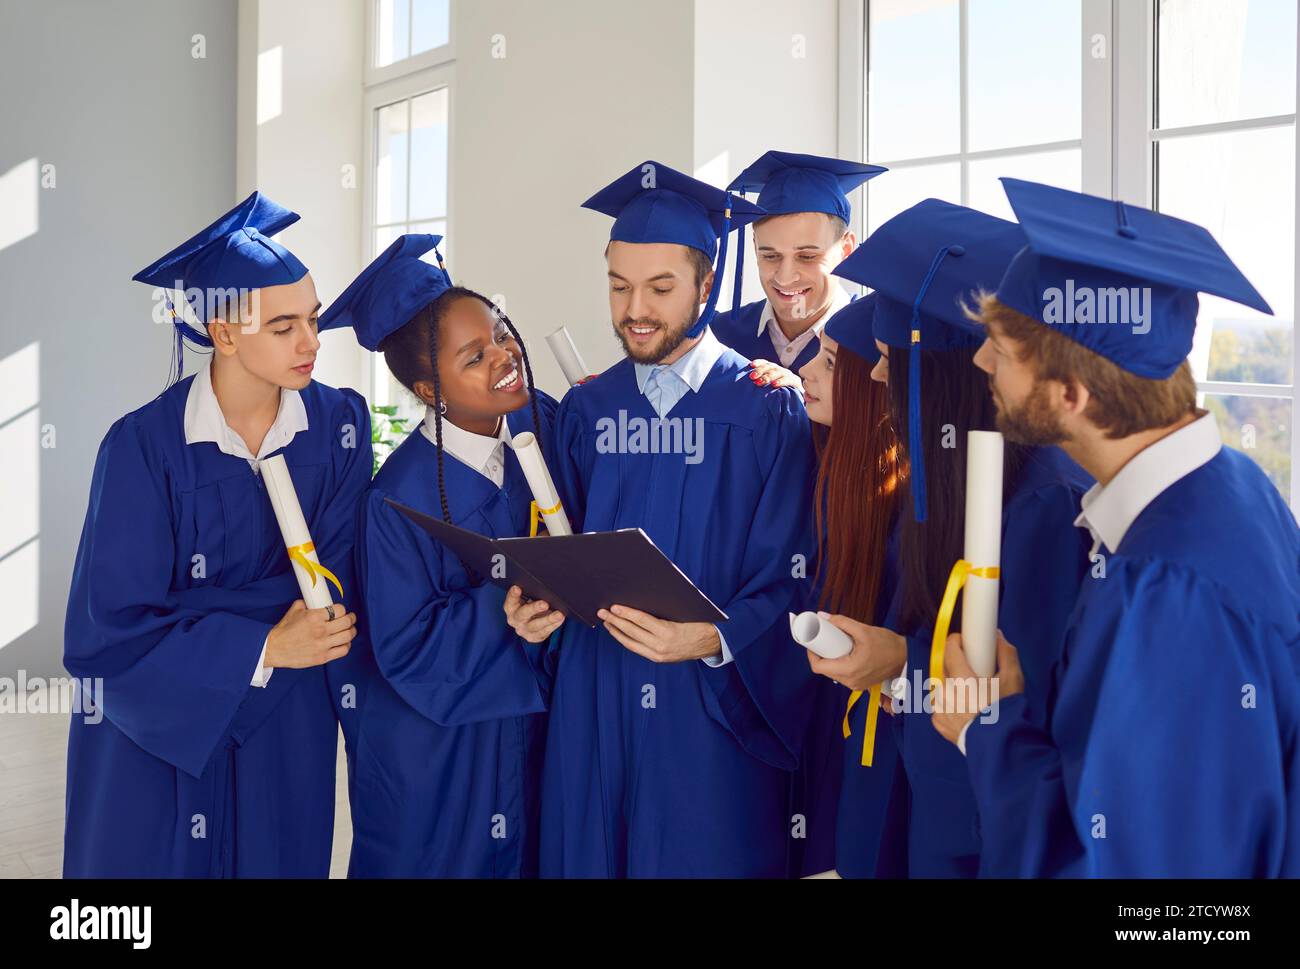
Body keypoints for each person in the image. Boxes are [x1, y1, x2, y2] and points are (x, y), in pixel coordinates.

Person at [932, 178, 1300, 877]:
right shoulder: (1239, 486)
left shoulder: (1165, 588)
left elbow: (1137, 884)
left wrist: (985, 729)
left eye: (1003, 351)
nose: (979, 361)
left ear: (1070, 396)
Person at [508, 160, 817, 877]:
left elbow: (796, 577)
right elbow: (561, 548)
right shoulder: (588, 407)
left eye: (659, 287)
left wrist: (711, 636)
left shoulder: (768, 406)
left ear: (707, 285)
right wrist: (535, 606)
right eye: (618, 285)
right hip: (592, 702)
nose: (633, 309)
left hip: (707, 711)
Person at [63, 192, 370, 877]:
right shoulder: (142, 446)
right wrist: (263, 641)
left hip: (287, 722)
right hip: (158, 729)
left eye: (314, 319)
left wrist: (209, 615)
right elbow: (108, 630)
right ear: (225, 334)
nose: (312, 342)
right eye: (285, 324)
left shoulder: (341, 428)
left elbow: (338, 583)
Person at [811, 198, 1092, 877]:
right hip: (931, 798)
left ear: (938, 374)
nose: (875, 376)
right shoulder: (940, 479)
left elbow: (1024, 696)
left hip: (995, 827)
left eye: (886, 358)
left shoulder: (1045, 503)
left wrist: (896, 661)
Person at [318, 234, 557, 877]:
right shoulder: (397, 500)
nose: (504, 357)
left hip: (530, 733)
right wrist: (504, 609)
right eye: (475, 356)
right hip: (441, 752)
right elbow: (405, 647)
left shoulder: (543, 427)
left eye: (502, 333)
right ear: (429, 389)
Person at [791, 293, 904, 878]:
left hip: (882, 764)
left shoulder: (905, 515)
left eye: (831, 362)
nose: (805, 370)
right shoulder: (834, 475)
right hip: (832, 743)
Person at [712, 150, 883, 372]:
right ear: (754, 247)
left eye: (807, 256)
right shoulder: (720, 336)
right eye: (771, 256)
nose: (785, 277)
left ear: (846, 248)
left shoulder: (879, 342)